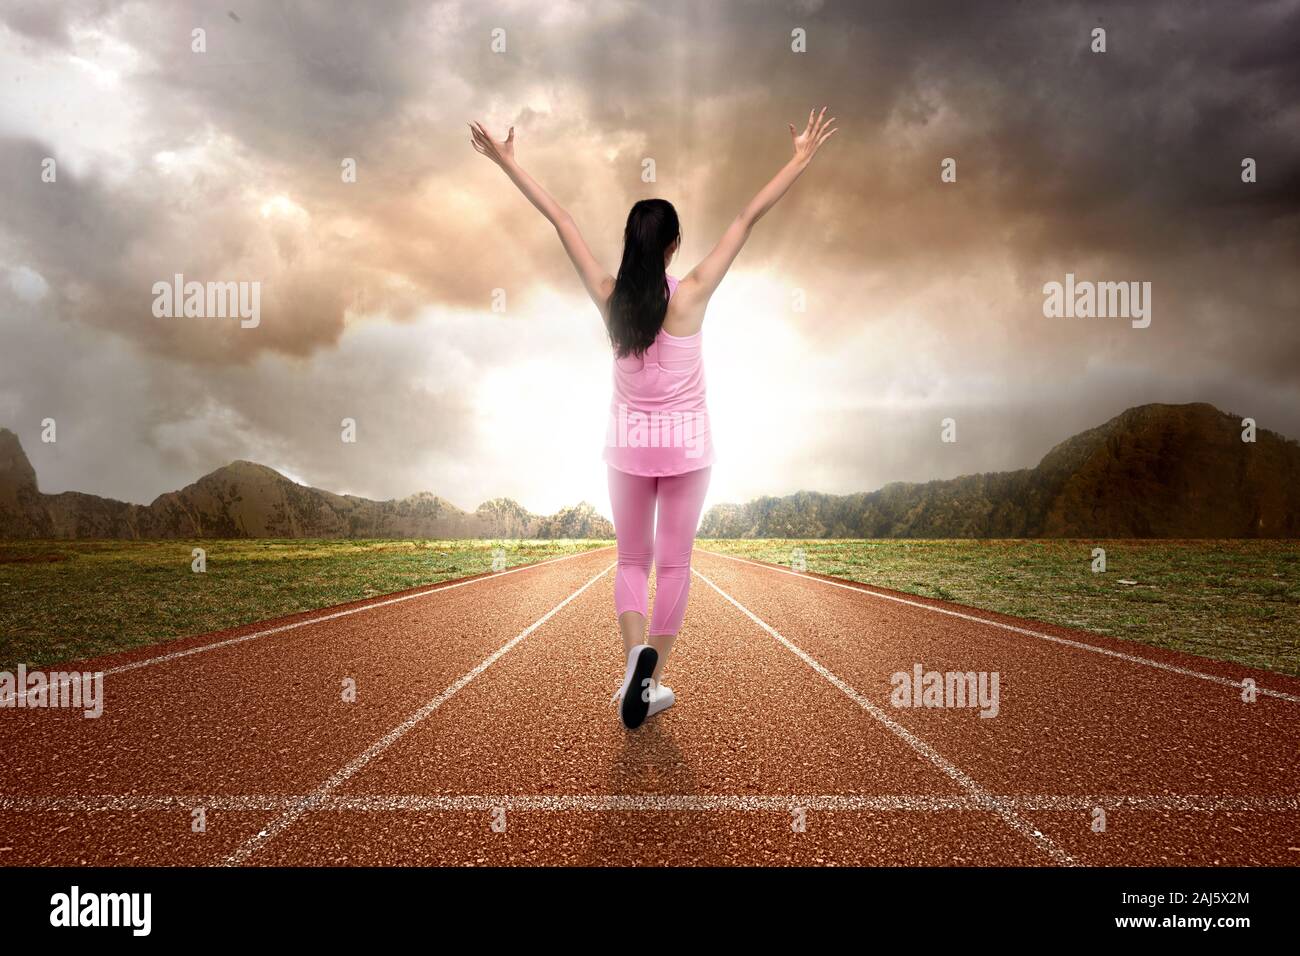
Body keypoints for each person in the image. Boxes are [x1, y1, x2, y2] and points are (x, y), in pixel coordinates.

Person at [469, 108, 838, 729]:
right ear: (672, 246)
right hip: (688, 451)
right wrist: (798, 159)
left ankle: (632, 664)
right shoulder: (691, 292)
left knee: (629, 561)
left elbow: (559, 218)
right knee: (674, 564)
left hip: (628, 451)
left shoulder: (608, 296)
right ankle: (653, 676)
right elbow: (747, 219)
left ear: (628, 245)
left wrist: (510, 163)